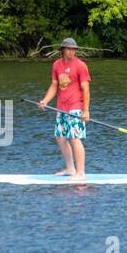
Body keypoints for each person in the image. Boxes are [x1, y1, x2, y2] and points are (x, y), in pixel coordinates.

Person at [38, 37, 91, 179]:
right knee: (60, 137)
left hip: (76, 107)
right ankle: (70, 169)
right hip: (61, 107)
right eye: (69, 49)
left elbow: (86, 89)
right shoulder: (56, 64)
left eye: (74, 49)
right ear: (63, 50)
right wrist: (45, 101)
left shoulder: (80, 66)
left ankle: (81, 173)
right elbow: (54, 85)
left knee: (74, 138)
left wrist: (86, 111)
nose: (71, 51)